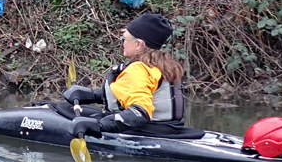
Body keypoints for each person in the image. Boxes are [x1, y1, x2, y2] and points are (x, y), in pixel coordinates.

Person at [61, 12, 189, 138]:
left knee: (61, 109)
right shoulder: (162, 65)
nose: (123, 43)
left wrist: (100, 126)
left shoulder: (138, 69)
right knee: (68, 109)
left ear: (138, 44)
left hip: (146, 131)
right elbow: (135, 91)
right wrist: (93, 95)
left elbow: (139, 113)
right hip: (168, 129)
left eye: (125, 39)